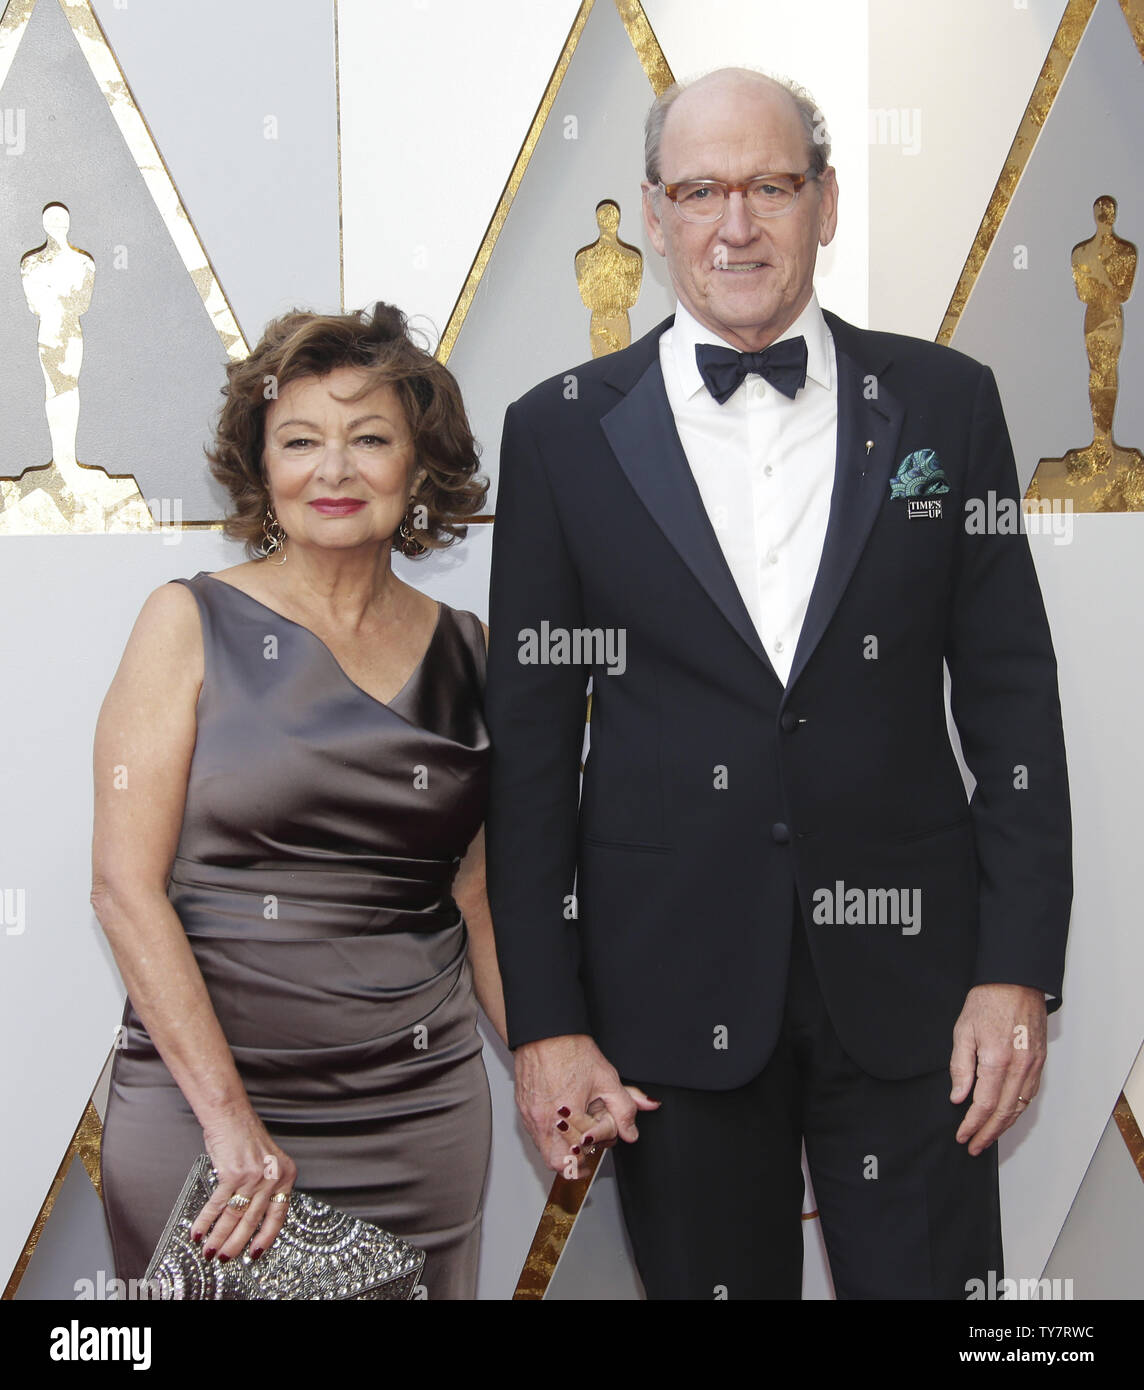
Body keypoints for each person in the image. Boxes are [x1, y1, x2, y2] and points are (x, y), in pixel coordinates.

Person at [485, 68, 1072, 1299]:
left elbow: (1012, 701)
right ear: (654, 214)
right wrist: (545, 1023)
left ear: (826, 202)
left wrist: (1015, 968)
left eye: (769, 186)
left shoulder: (946, 401)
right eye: (701, 191)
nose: (736, 225)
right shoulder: (557, 430)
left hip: (918, 994)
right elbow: (531, 756)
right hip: (665, 996)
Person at [93, 302, 505, 1300]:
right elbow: (123, 889)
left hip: (417, 1115)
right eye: (301, 440)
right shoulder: (186, 622)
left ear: (418, 466)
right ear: (261, 465)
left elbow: (481, 897)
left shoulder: (472, 651)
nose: (334, 470)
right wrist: (229, 1121)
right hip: (207, 1119)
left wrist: (548, 1062)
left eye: (370, 439)